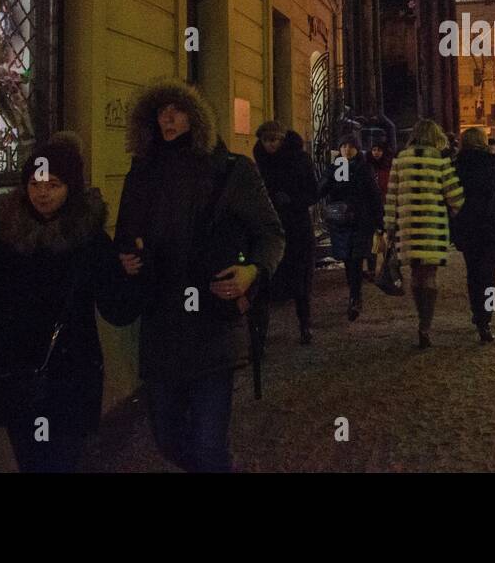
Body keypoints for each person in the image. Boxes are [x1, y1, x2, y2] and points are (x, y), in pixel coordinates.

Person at [115, 80, 283, 473]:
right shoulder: (140, 173)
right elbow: (125, 234)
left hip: (212, 328)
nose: (168, 118)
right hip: (161, 326)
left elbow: (270, 233)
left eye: (177, 110)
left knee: (209, 445)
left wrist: (252, 272)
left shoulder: (231, 170)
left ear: (196, 117)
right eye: (160, 111)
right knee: (168, 437)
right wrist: (126, 257)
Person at [0, 132, 139, 472]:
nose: (42, 192)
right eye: (35, 183)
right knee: (32, 463)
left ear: (70, 188)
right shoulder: (4, 242)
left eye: (53, 184)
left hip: (71, 379)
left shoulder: (90, 242)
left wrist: (128, 274)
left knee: (60, 463)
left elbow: (118, 309)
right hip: (19, 378)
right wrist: (7, 311)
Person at [385, 119, 466, 349]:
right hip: (432, 225)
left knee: (415, 274)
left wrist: (390, 225)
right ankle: (425, 325)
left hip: (408, 226)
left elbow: (391, 196)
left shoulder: (400, 159)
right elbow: (455, 196)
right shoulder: (439, 160)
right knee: (429, 276)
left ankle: (420, 315)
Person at [253, 123, 319, 344]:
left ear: (282, 140)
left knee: (300, 280)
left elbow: (313, 192)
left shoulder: (299, 160)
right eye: (266, 140)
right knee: (266, 281)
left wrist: (292, 201)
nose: (270, 144)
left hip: (297, 227)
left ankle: (305, 324)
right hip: (269, 229)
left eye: (275, 140)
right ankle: (260, 335)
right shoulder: (258, 163)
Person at [451, 128, 495, 342]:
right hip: (493, 226)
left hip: (468, 227)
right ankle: (487, 319)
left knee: (473, 274)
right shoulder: (494, 162)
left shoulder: (457, 164)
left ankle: (476, 312)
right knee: (490, 276)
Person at [319, 131, 382, 321]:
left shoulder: (364, 168)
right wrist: (330, 175)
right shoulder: (336, 167)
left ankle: (355, 298)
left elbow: (373, 195)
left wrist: (379, 222)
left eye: (350, 146)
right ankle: (354, 294)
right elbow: (323, 190)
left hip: (360, 221)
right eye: (343, 146)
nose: (347, 150)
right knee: (347, 260)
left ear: (356, 148)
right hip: (341, 223)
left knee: (355, 259)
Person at [366, 141, 394, 277]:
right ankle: (372, 268)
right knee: (372, 238)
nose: (376, 152)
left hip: (385, 205)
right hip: (371, 207)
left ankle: (388, 267)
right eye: (374, 149)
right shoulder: (367, 166)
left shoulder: (388, 168)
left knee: (386, 237)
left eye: (379, 150)